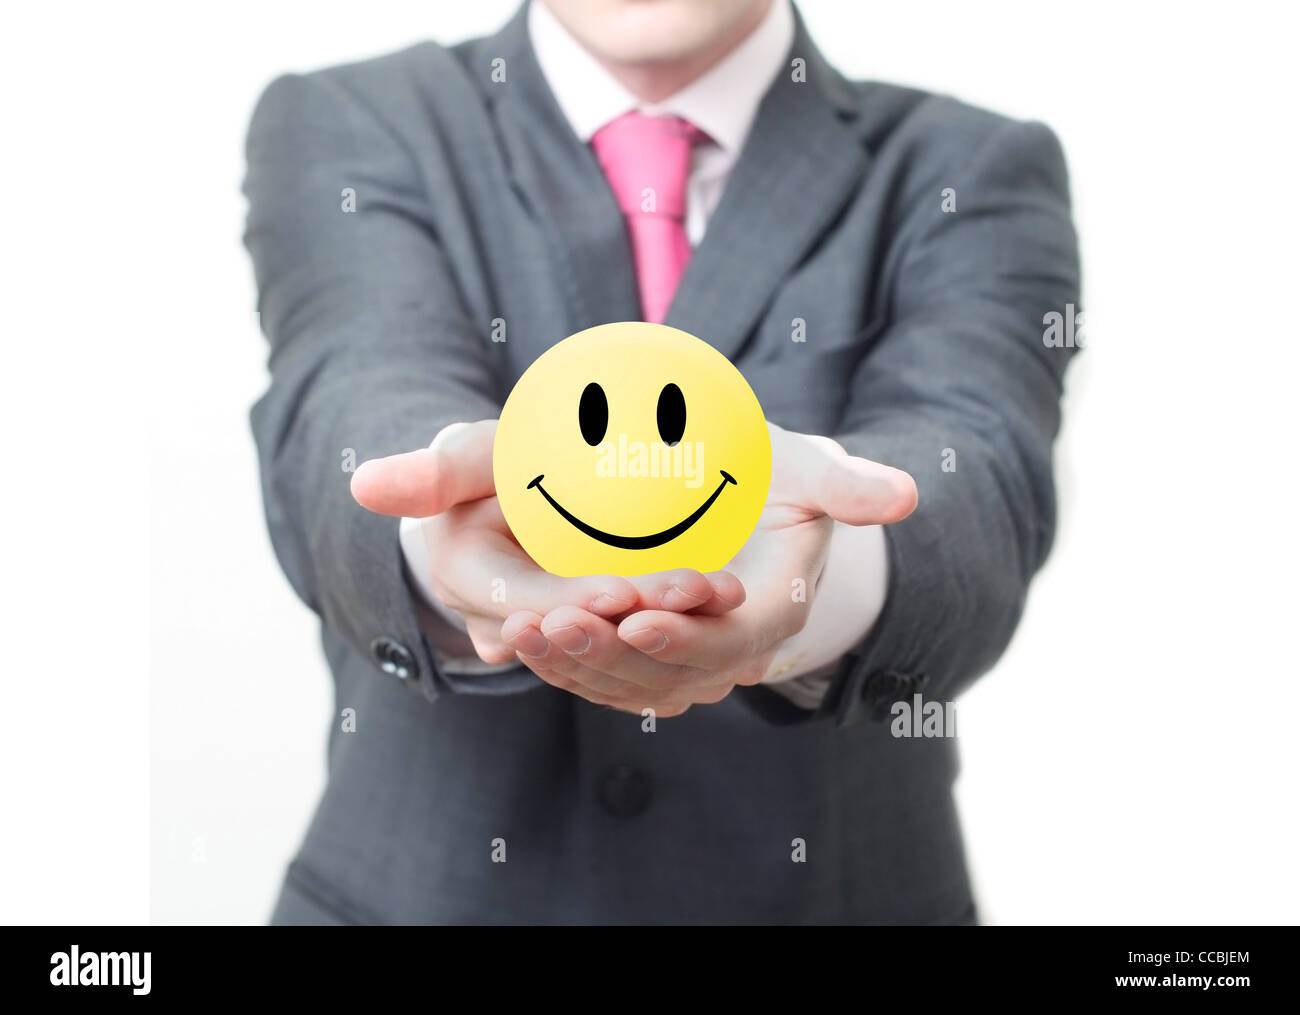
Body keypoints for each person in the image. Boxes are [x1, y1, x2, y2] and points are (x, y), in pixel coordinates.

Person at [244, 0, 1080, 924]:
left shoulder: (969, 166)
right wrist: (447, 529)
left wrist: (807, 579)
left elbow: (978, 473)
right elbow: (359, 387)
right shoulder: (357, 120)